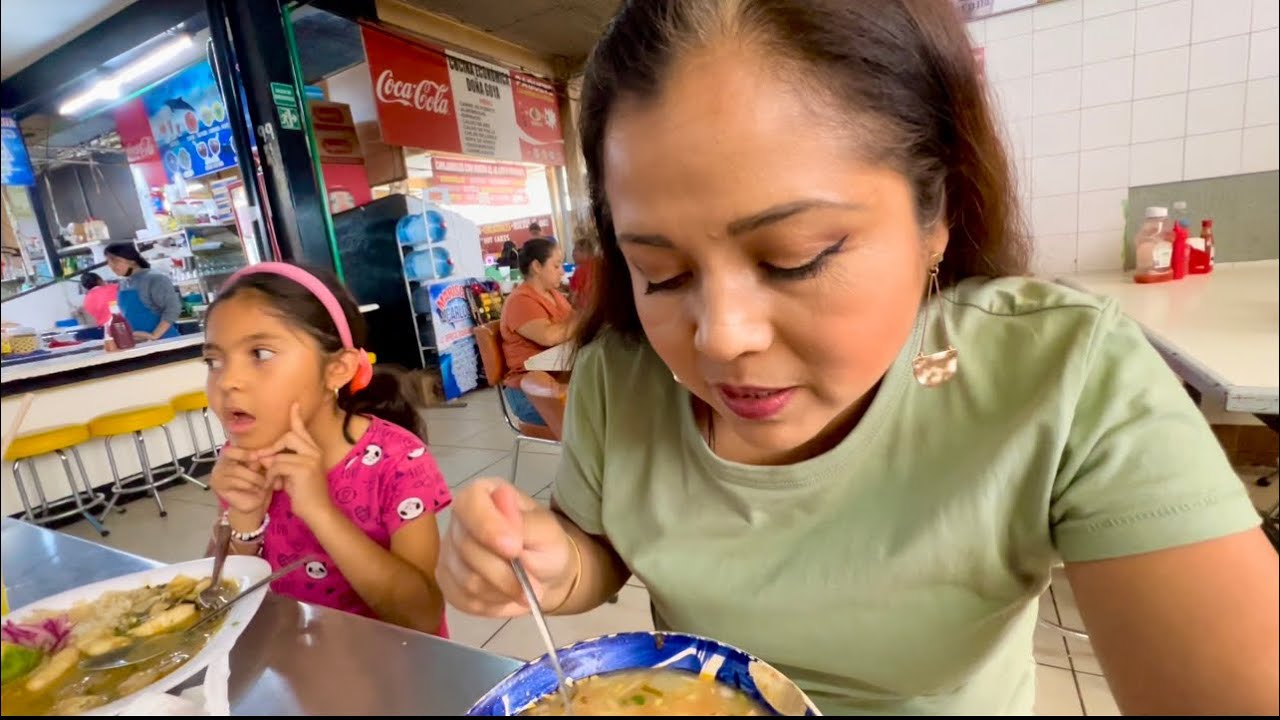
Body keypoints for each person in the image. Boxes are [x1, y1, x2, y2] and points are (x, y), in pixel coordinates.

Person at [437, 0, 1278, 715]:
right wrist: (546, 566)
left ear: (935, 212)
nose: (720, 337)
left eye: (797, 255)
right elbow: (600, 553)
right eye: (662, 272)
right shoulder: (624, 377)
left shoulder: (1058, 372)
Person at [204, 262, 451, 635]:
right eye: (214, 361)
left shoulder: (398, 461)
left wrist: (320, 510)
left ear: (337, 370)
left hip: (395, 674)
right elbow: (212, 605)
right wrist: (243, 520)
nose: (227, 381)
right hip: (294, 669)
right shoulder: (242, 458)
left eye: (261, 354)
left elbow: (420, 615)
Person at [498, 239, 572, 425]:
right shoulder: (520, 301)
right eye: (556, 266)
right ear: (537, 266)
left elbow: (573, 325)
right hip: (530, 392)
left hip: (558, 379)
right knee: (604, 411)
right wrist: (584, 320)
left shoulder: (554, 295)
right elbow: (549, 336)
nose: (562, 271)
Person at [103, 242, 180, 340]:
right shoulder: (122, 285)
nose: (111, 265)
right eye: (108, 262)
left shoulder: (155, 279)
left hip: (164, 341)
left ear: (132, 261)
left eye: (115, 261)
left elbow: (173, 309)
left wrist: (154, 335)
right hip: (139, 343)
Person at [568, 225, 599, 307]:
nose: (573, 254)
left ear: (585, 252)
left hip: (585, 311)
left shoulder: (580, 270)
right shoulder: (599, 265)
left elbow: (573, 299)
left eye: (575, 250)